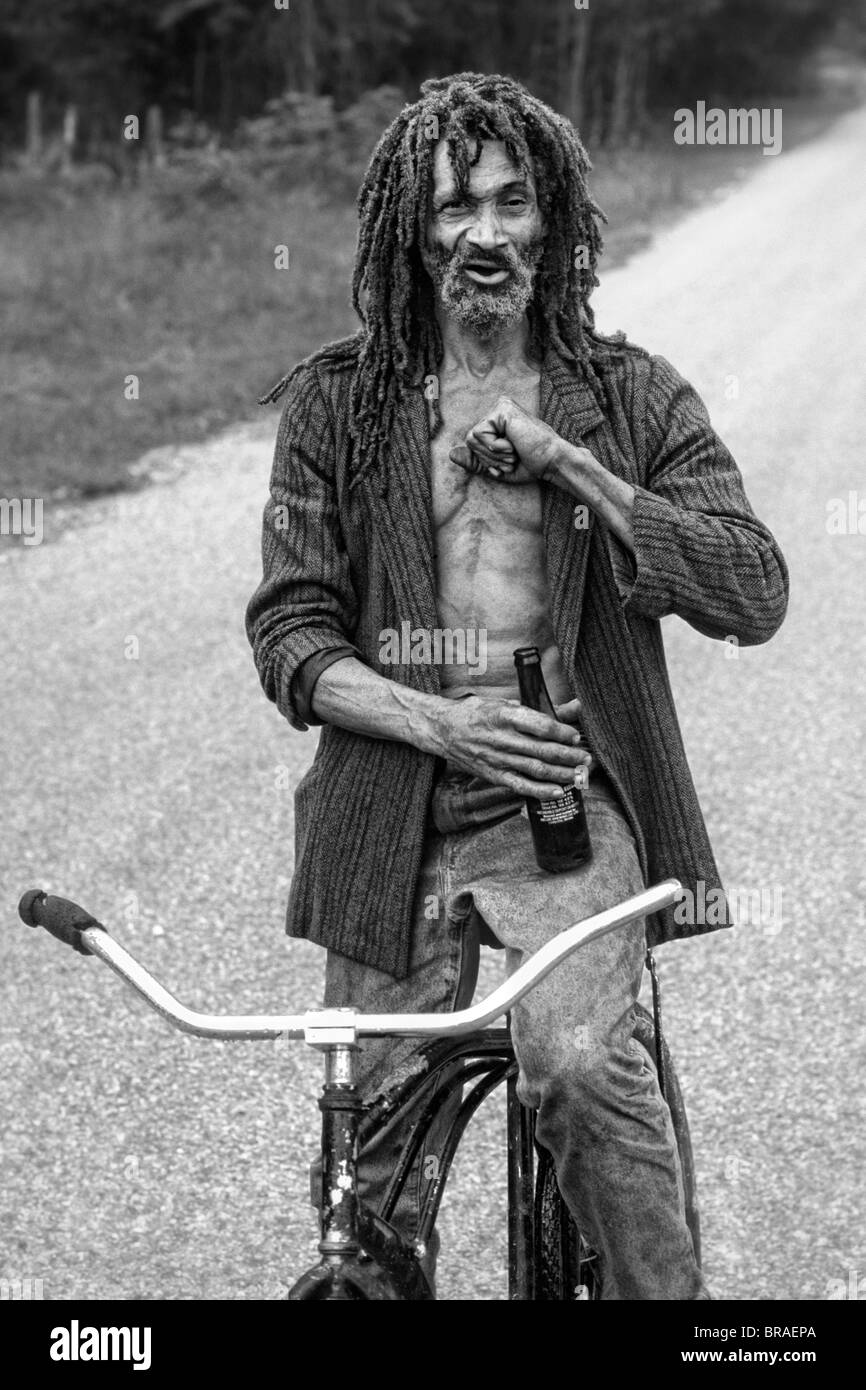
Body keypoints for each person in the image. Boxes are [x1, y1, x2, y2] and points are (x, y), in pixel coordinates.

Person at [246, 72, 789, 1299]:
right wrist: (448, 724)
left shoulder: (630, 396)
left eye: (508, 204)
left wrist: (578, 468)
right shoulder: (341, 403)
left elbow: (752, 590)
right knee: (367, 1169)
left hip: (563, 810)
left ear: (550, 227)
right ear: (413, 233)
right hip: (393, 807)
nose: (482, 235)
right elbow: (291, 635)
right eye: (453, 210)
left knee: (585, 1067)